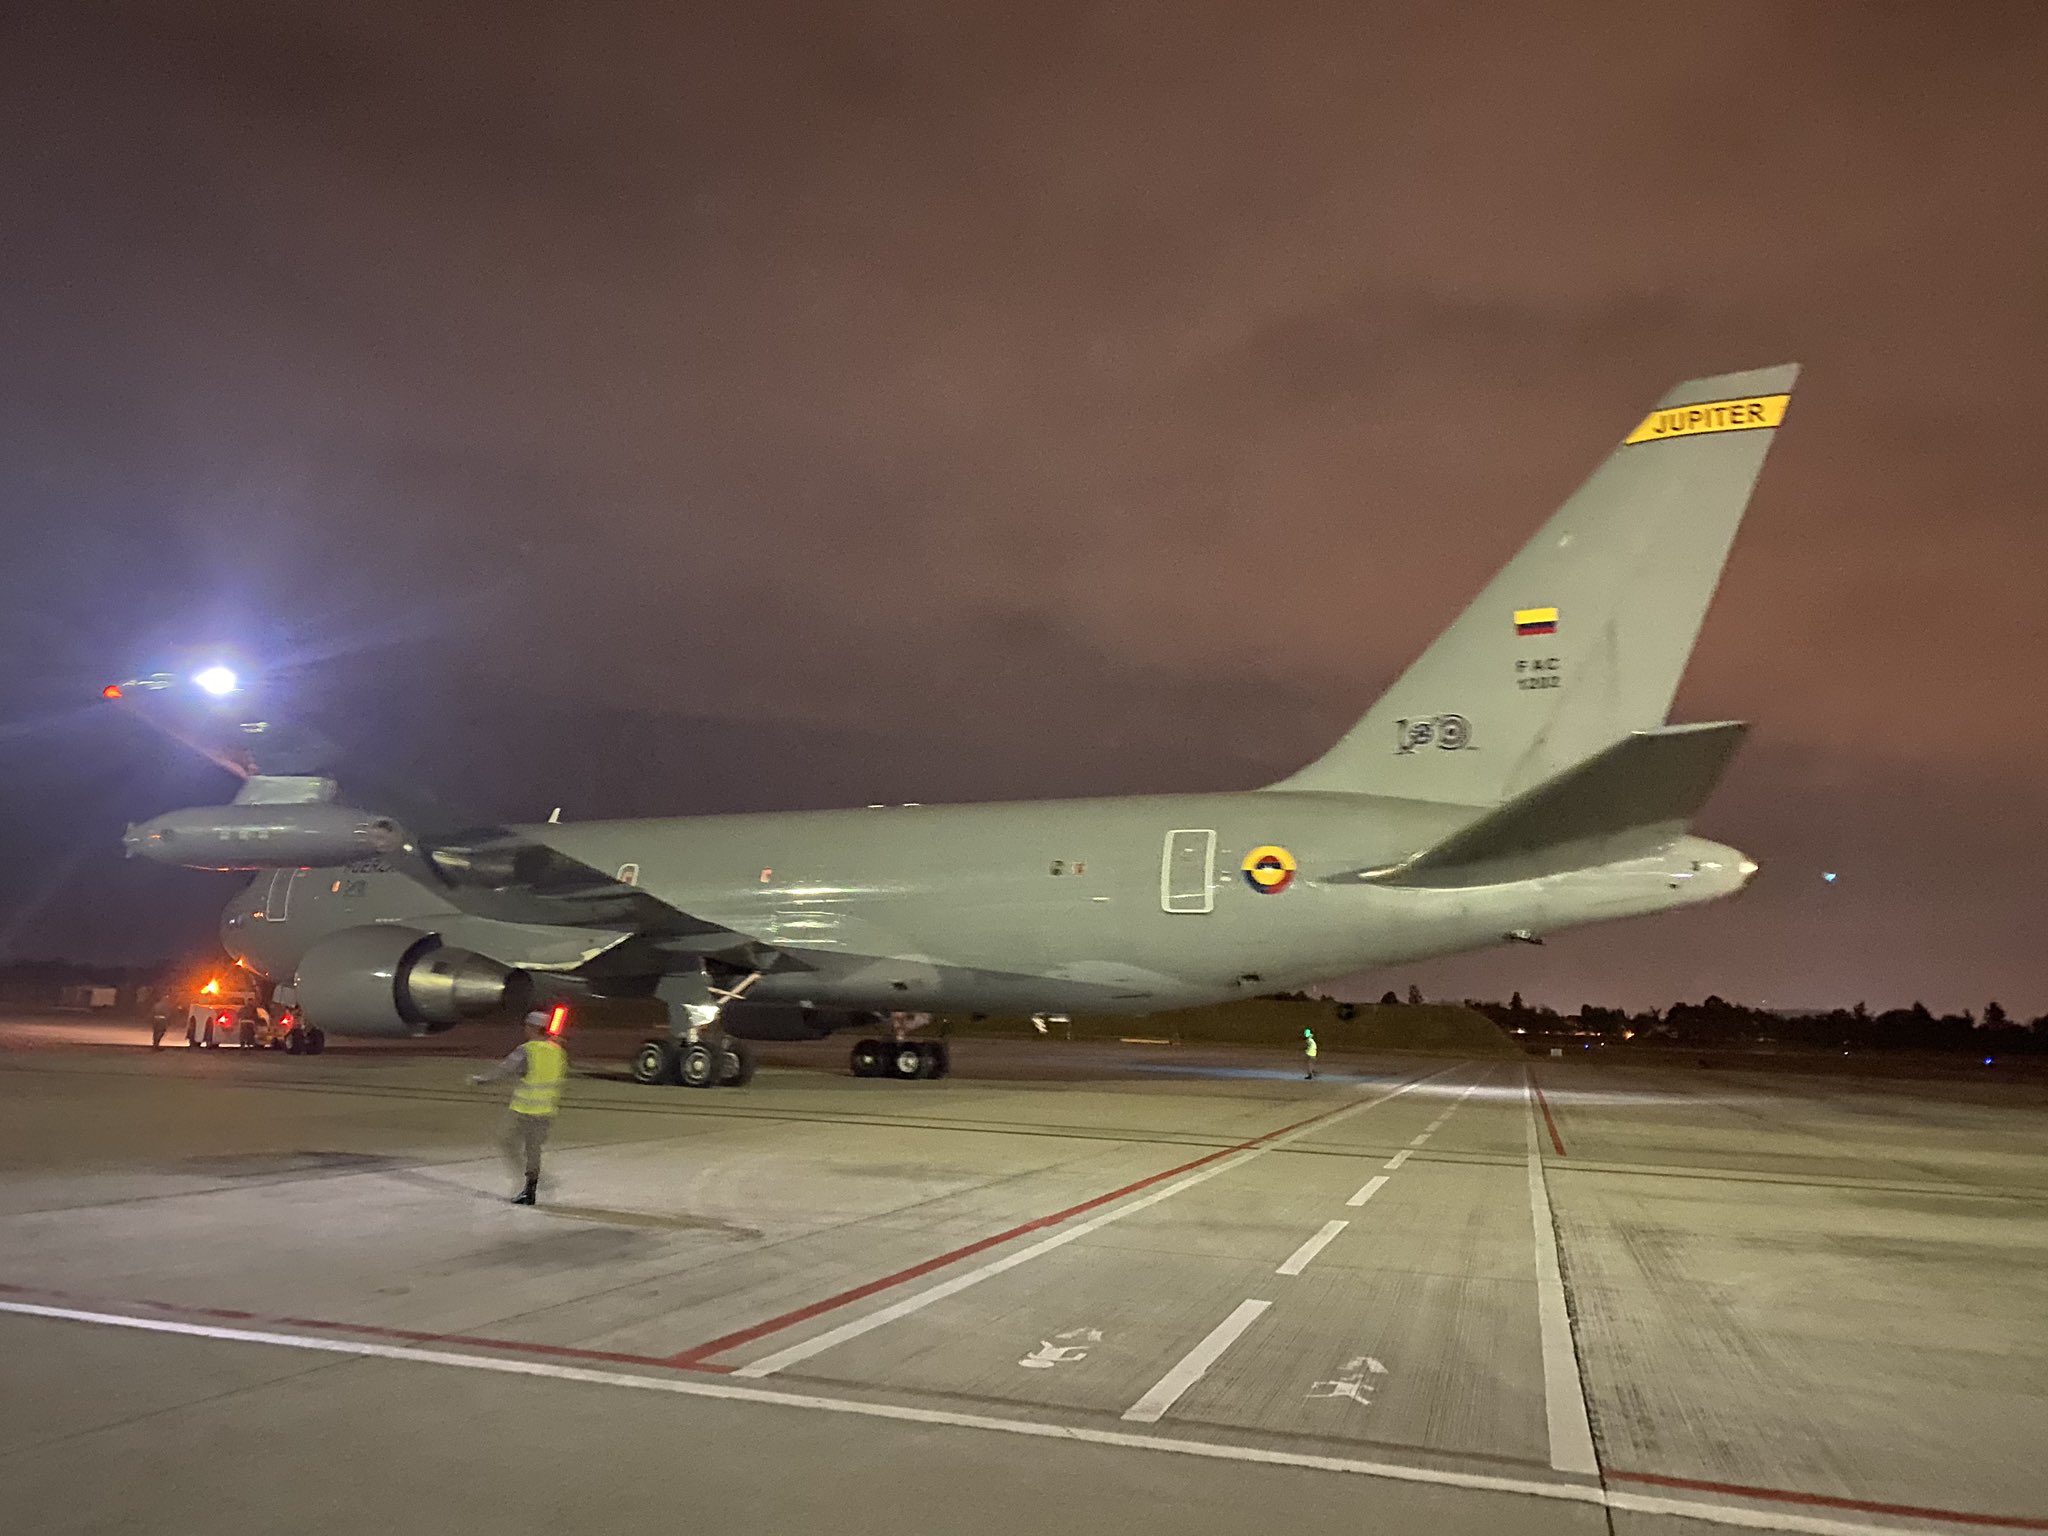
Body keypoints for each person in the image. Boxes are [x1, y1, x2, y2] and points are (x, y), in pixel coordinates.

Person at [470, 1009, 569, 1205]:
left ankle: (530, 1183)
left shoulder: (527, 1050)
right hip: (546, 1110)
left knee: (506, 1140)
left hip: (524, 1109)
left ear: (532, 1028)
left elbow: (506, 1069)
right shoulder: (558, 1051)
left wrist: (481, 1080)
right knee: (533, 1150)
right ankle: (530, 1189)